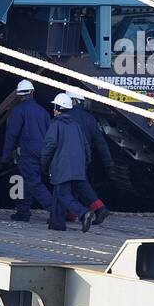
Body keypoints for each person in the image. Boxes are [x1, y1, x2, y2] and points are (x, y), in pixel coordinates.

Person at [40, 93, 94, 232]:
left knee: (63, 195)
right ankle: (57, 224)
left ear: (58, 108)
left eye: (54, 107)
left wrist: (44, 164)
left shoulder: (55, 125)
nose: (53, 110)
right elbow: (86, 145)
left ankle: (83, 213)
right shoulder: (76, 125)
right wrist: (86, 163)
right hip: (77, 167)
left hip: (62, 167)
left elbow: (49, 147)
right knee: (59, 194)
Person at [1, 79, 52, 221]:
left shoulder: (17, 111)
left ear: (18, 95)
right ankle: (23, 211)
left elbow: (11, 135)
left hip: (27, 153)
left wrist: (5, 156)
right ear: (32, 92)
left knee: (33, 182)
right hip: (43, 153)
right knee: (25, 181)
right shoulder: (43, 112)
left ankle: (55, 210)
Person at [66, 87, 112, 226]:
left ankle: (98, 209)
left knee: (70, 185)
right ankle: (72, 213)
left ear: (73, 101)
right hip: (84, 157)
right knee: (77, 184)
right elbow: (100, 141)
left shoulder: (66, 116)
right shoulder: (90, 118)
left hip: (68, 156)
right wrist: (108, 161)